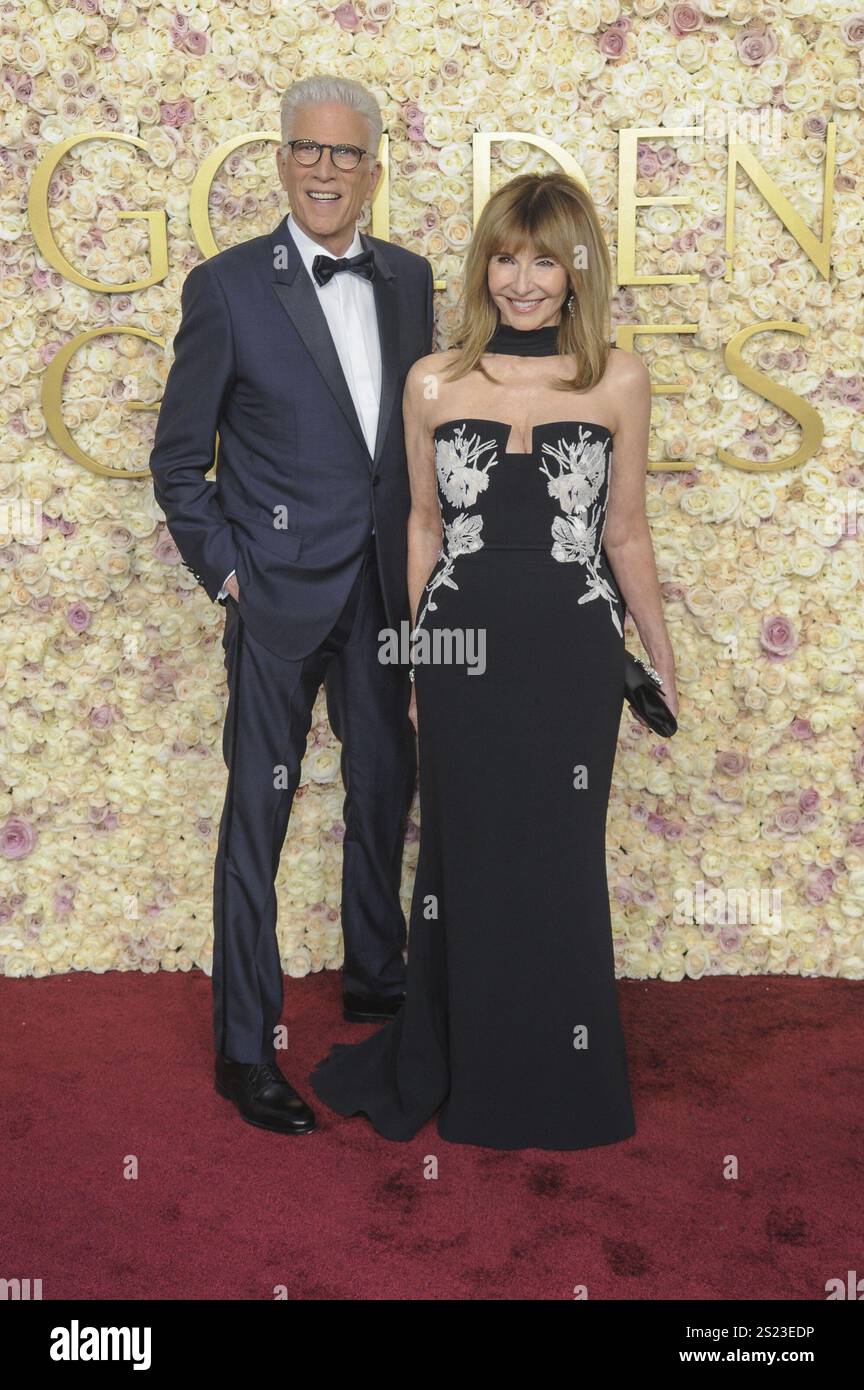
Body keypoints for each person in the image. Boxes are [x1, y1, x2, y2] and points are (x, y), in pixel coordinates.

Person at [310, 171, 679, 1150]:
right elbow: (423, 528)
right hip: (465, 651)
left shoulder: (619, 378)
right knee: (463, 859)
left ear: (575, 268)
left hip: (572, 648)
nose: (522, 281)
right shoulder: (434, 379)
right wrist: (424, 663)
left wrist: (662, 654)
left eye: (544, 259)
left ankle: (562, 1083)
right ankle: (463, 1063)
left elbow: (627, 532)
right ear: (485, 266)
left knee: (558, 864)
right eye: (506, 258)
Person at [149, 76, 434, 1134]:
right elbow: (180, 462)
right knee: (256, 819)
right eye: (308, 152)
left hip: (383, 592)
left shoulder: (407, 279)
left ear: (372, 170)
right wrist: (229, 571)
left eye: (346, 155)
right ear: (281, 160)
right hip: (273, 594)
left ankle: (376, 977)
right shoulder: (225, 288)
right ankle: (243, 1050)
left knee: (383, 788)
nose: (325, 169)